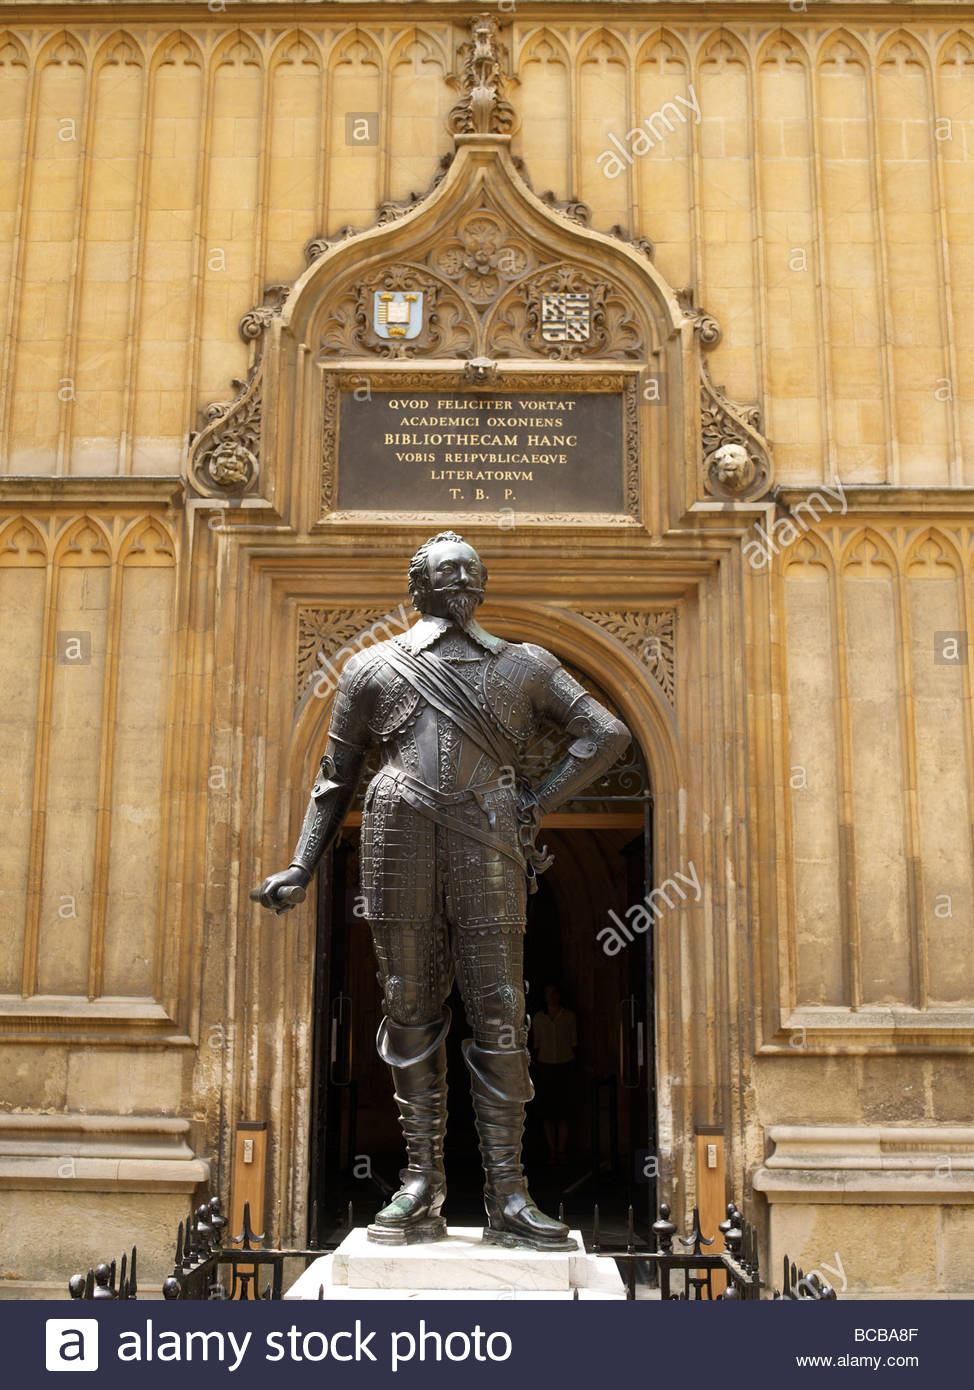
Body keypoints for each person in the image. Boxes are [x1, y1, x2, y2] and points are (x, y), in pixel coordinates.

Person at [255, 531, 630, 1250]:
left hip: (488, 829)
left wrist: (536, 800)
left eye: (469, 571)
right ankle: (420, 1182)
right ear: (416, 586)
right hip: (398, 830)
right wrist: (302, 865)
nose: (458, 580)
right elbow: (335, 778)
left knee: (500, 1004)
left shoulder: (526, 663)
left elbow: (603, 731)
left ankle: (509, 1193)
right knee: (408, 1002)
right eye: (443, 572)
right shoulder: (371, 668)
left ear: (483, 585)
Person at [531, 984, 578, 1164]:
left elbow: (574, 1041)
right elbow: (536, 1044)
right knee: (548, 1111)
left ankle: (562, 1148)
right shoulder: (539, 1018)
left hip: (565, 1064)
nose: (551, 997)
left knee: (563, 1110)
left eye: (554, 992)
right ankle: (552, 1149)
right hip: (545, 1065)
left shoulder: (569, 1017)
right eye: (548, 993)